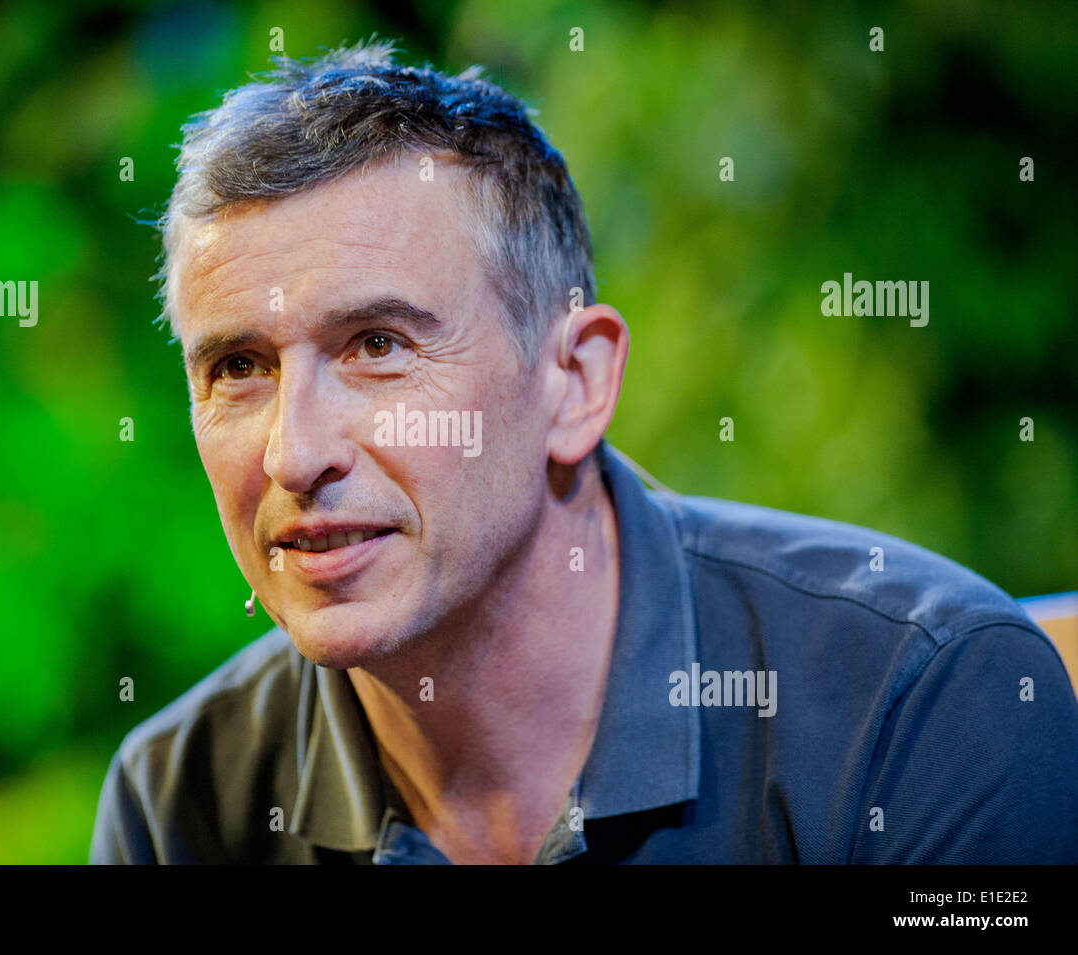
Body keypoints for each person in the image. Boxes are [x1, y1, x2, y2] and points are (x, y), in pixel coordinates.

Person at [89, 40, 1078, 864]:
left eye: (378, 346)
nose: (294, 451)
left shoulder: (919, 712)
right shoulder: (178, 803)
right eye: (236, 367)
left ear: (574, 382)